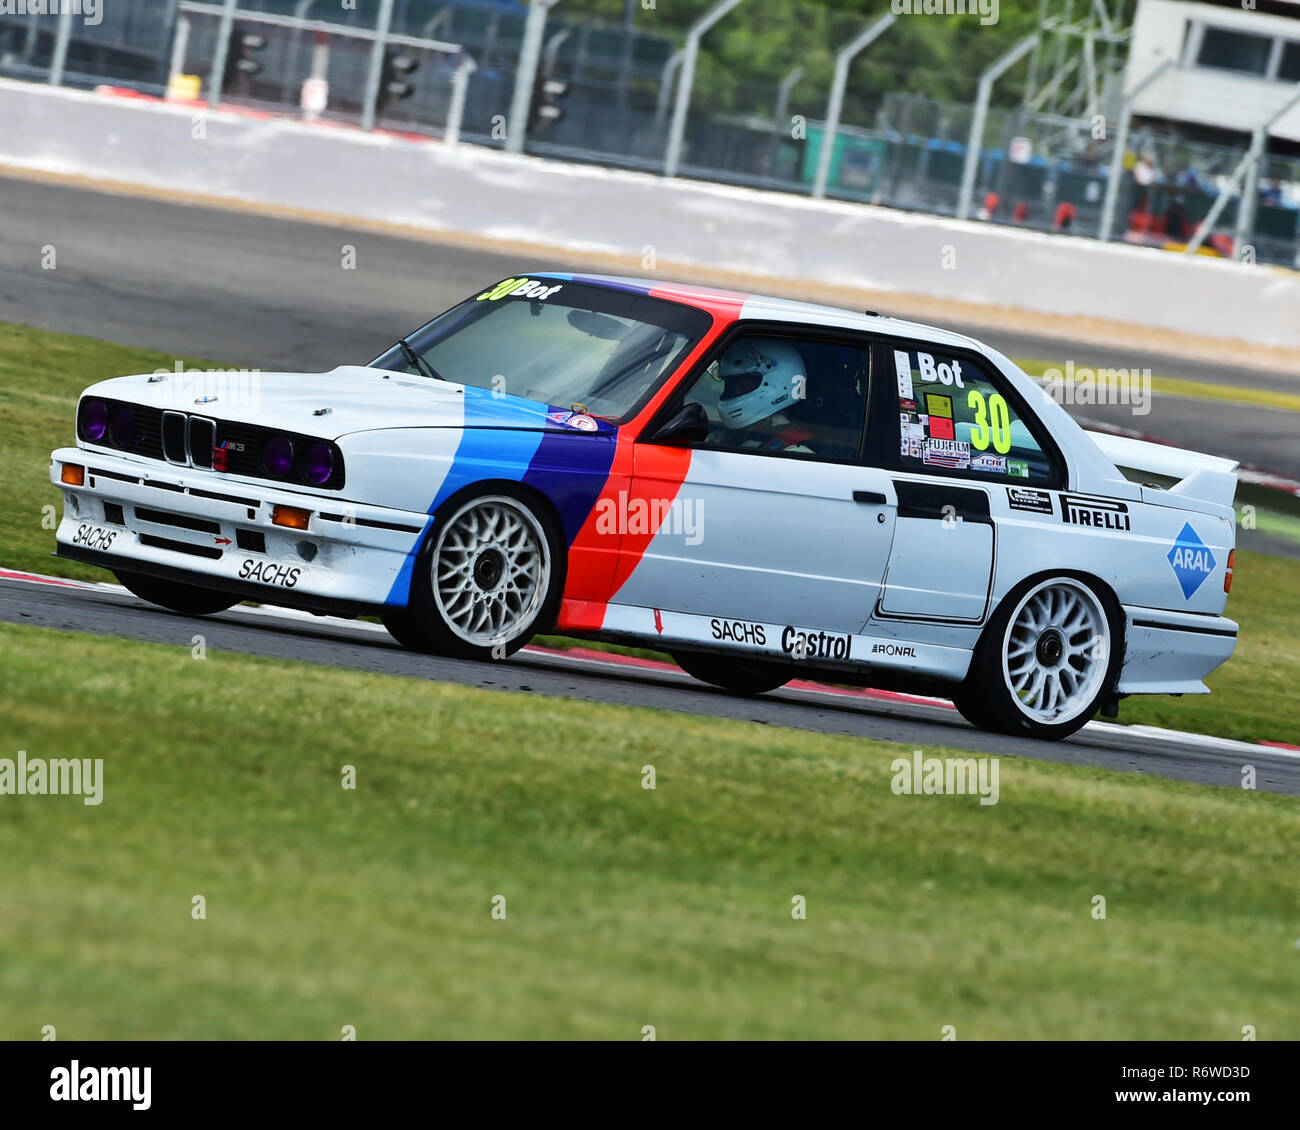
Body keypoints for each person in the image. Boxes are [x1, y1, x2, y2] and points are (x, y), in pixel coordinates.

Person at [713, 340, 817, 454]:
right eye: (731, 387)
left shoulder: (797, 452)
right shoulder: (733, 434)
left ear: (777, 384)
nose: (734, 394)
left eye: (744, 386)